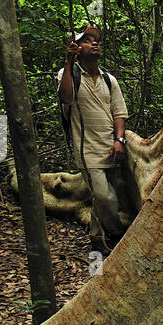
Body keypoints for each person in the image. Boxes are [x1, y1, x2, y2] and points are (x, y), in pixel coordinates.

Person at [57, 25, 129, 253]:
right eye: (87, 40)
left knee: (106, 197)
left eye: (95, 40)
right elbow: (66, 97)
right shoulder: (68, 74)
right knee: (105, 196)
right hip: (86, 151)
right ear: (77, 48)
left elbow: (119, 113)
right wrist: (68, 62)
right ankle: (118, 236)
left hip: (111, 148)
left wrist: (120, 140)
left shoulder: (110, 80)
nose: (94, 43)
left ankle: (97, 238)